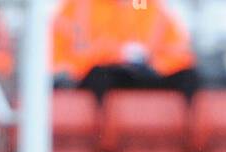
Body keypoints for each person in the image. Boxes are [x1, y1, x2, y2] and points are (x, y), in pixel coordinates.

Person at [52, 0, 199, 99]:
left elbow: (179, 54)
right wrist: (116, 54)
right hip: (99, 77)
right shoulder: (78, 6)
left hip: (146, 74)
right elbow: (59, 62)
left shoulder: (147, 5)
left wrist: (153, 66)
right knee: (100, 77)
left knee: (189, 78)